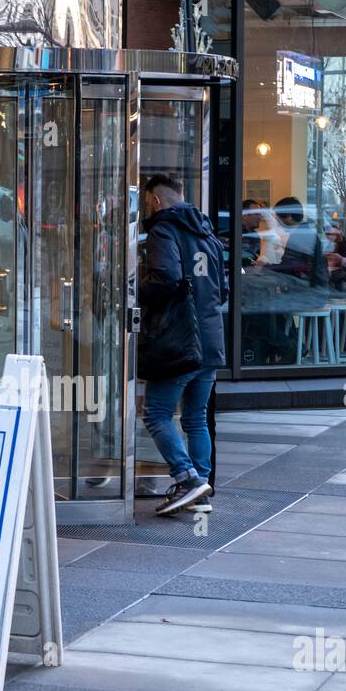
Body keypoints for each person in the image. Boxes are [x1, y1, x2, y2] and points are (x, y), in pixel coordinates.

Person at [139, 173, 227, 516]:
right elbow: (223, 289)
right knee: (195, 418)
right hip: (211, 338)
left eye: (147, 203)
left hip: (180, 340)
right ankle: (201, 490)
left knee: (157, 413)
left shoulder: (164, 229)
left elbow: (167, 280)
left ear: (157, 201)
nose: (148, 208)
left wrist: (133, 289)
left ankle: (188, 479)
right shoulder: (206, 232)